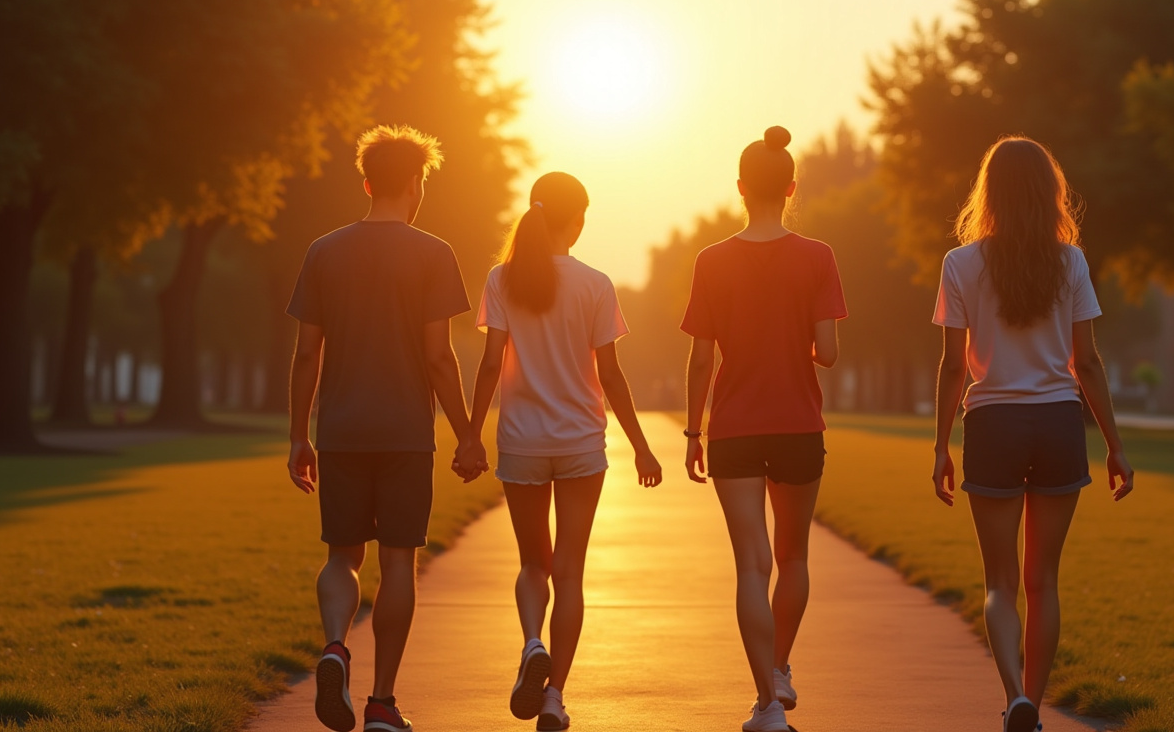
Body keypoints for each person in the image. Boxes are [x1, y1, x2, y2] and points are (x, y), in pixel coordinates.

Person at [928, 136, 1135, 732]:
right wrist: (1115, 445)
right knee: (1043, 579)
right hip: (1057, 424)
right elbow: (1087, 363)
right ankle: (1033, 710)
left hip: (991, 424)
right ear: (1050, 193)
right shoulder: (1069, 261)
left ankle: (1014, 693)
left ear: (987, 192)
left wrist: (941, 445)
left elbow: (951, 365)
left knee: (1000, 582)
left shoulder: (960, 263)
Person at [286, 124, 488, 732]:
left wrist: (300, 434)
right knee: (398, 562)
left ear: (367, 181)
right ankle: (381, 703)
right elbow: (438, 356)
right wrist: (467, 433)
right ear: (417, 184)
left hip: (341, 431)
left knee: (342, 555)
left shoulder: (323, 251)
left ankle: (333, 648)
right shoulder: (433, 253)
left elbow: (306, 354)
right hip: (405, 433)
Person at [468, 172, 663, 731]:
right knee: (570, 573)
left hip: (522, 443)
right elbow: (613, 376)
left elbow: (489, 364)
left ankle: (532, 642)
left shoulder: (502, 279)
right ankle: (554, 696)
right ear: (577, 220)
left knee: (534, 563)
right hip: (580, 444)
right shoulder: (596, 284)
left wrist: (469, 434)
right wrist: (643, 449)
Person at [681, 126, 847, 732]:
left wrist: (693, 433)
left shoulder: (711, 260)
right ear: (792, 187)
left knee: (751, 565)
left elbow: (702, 358)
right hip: (799, 425)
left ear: (742, 188)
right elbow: (827, 352)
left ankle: (767, 705)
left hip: (733, 429)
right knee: (792, 555)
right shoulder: (818, 256)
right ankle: (779, 666)